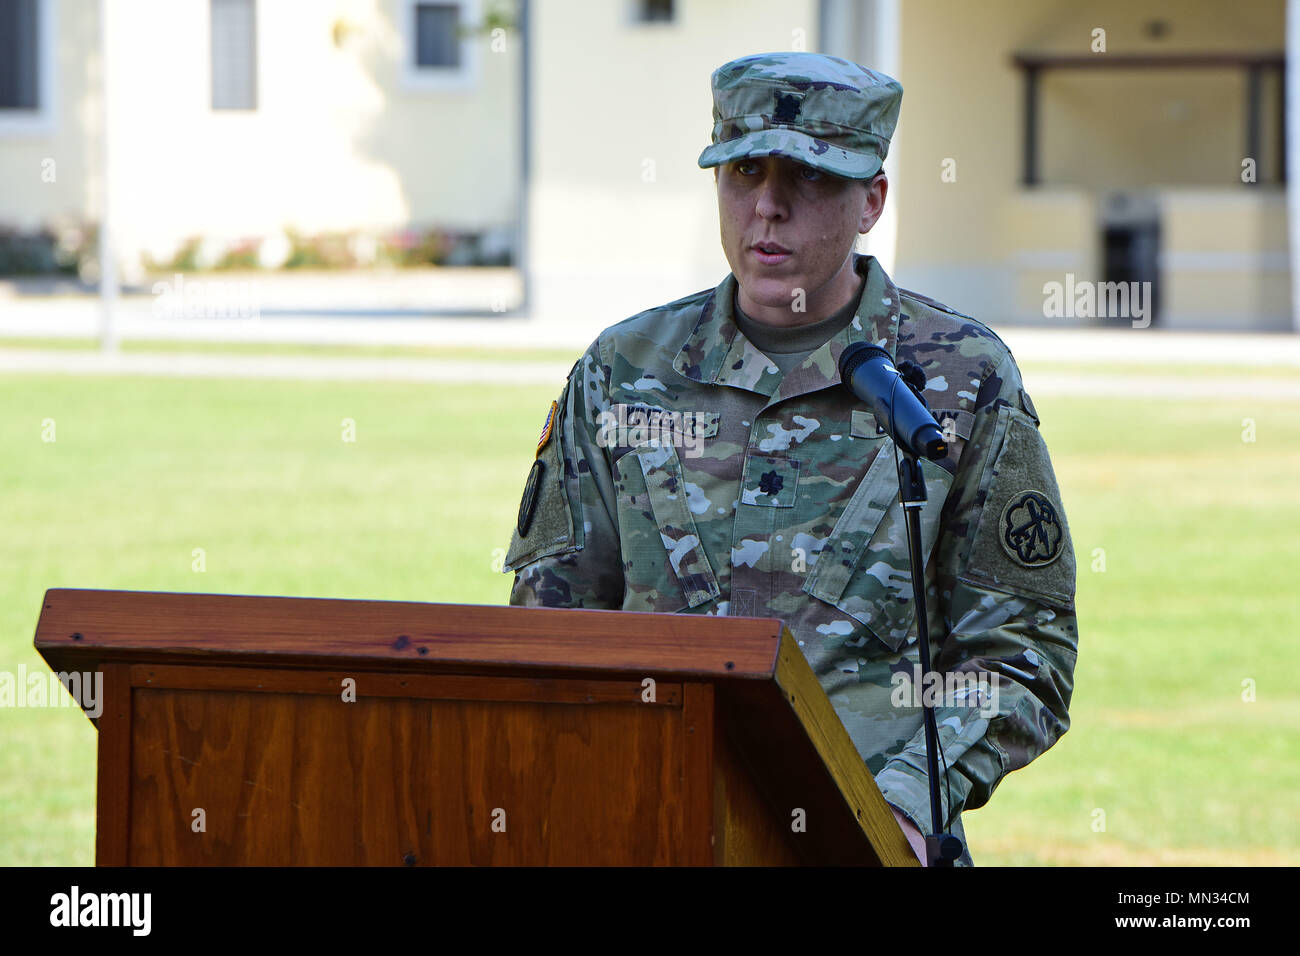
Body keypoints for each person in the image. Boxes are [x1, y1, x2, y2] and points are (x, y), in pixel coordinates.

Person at [503, 51, 1077, 866]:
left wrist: (903, 808)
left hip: (868, 841)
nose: (767, 208)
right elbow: (547, 632)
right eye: (743, 172)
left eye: (807, 178)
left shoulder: (960, 378)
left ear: (871, 199)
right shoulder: (624, 371)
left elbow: (1022, 651)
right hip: (651, 827)